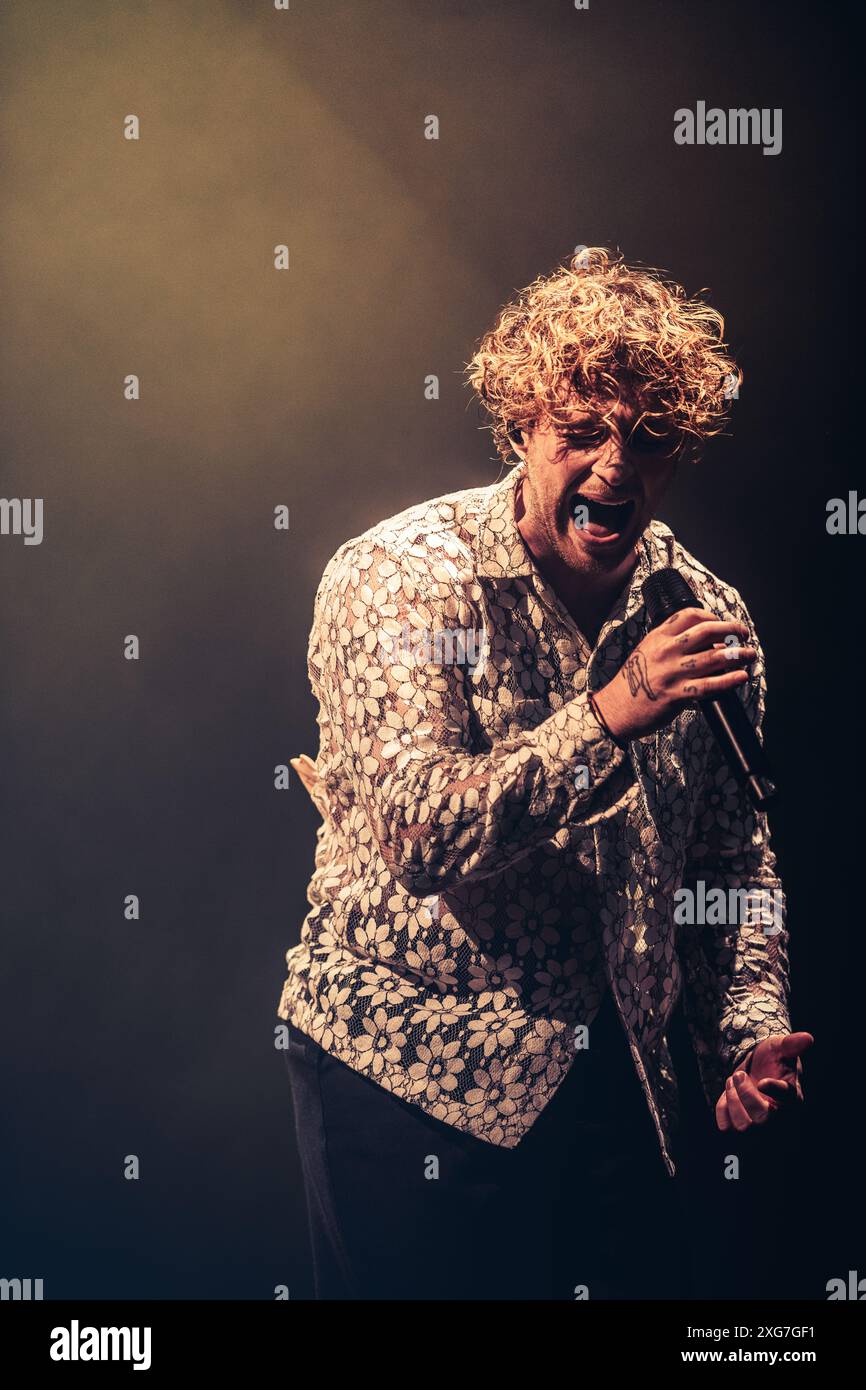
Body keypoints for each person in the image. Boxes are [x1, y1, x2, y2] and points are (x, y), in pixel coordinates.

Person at [275, 247, 812, 1300]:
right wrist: (608, 716)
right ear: (519, 425)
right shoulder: (401, 577)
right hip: (408, 1066)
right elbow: (419, 836)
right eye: (580, 434)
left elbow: (730, 853)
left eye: (646, 441)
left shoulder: (702, 612)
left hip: (612, 1082)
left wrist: (744, 1033)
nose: (613, 467)